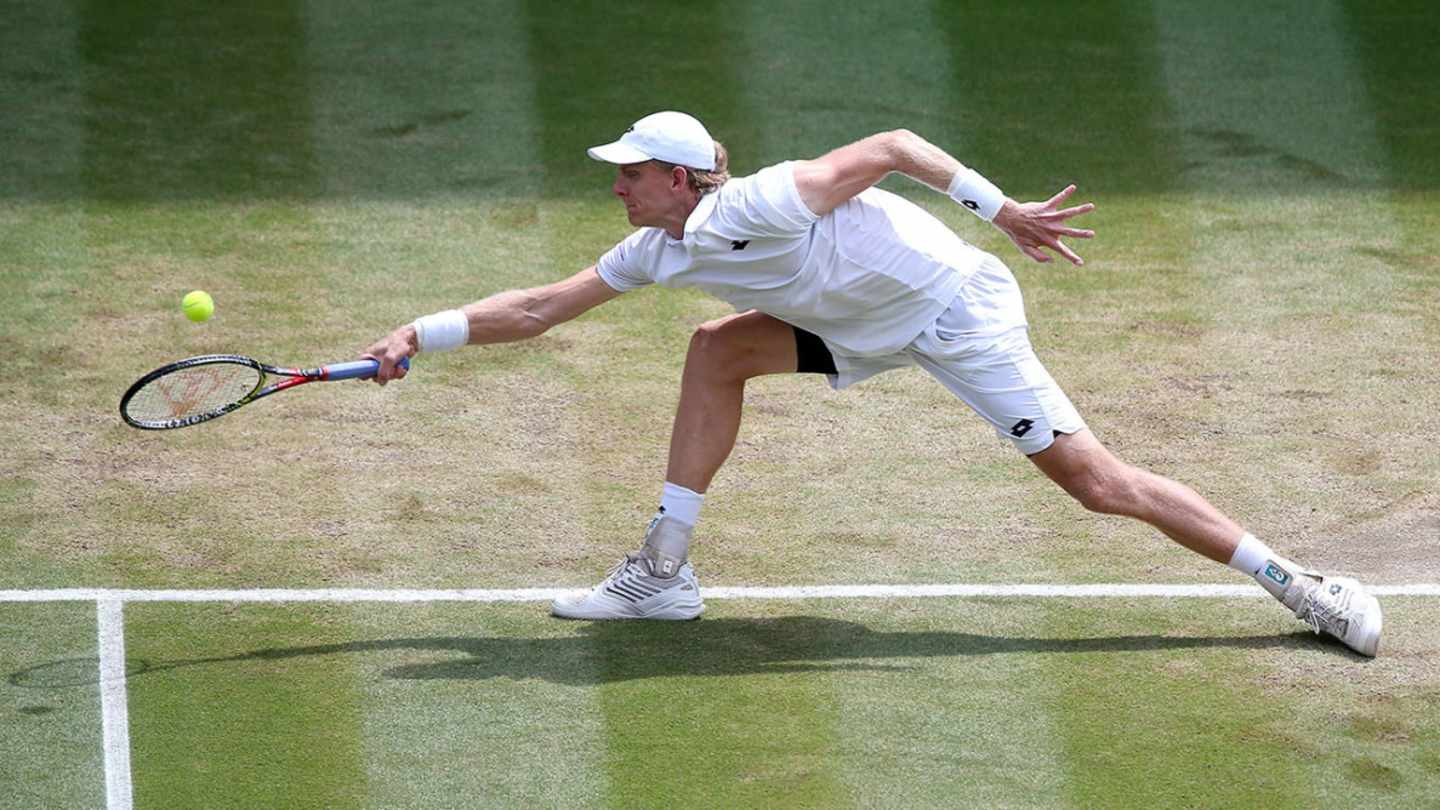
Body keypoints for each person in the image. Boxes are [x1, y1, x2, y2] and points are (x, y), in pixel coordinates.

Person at [362, 111, 1383, 656]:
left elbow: (895, 148)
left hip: (954, 313)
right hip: (853, 326)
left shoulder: (765, 196)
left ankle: (1302, 588)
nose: (615, 184)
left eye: (630, 171)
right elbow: (538, 309)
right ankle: (663, 575)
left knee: (1096, 486)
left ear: (681, 179)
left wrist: (1002, 210)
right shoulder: (658, 253)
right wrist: (422, 331)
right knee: (715, 348)